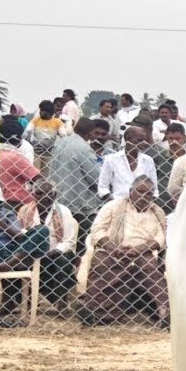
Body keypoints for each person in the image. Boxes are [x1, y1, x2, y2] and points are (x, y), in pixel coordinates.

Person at [80, 175, 168, 327]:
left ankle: (165, 312)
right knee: (102, 262)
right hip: (112, 249)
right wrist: (114, 249)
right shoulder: (113, 206)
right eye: (140, 191)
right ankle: (93, 310)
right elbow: (97, 230)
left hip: (143, 251)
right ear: (130, 191)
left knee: (148, 266)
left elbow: (161, 237)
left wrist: (141, 248)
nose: (144, 196)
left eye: (148, 193)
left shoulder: (157, 212)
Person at [0, 183, 50, 327]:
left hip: (9, 252)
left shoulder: (6, 213)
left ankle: (6, 265)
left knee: (41, 231)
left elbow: (19, 238)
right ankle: (9, 265)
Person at [18, 179, 77, 308]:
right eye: (39, 193)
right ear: (33, 195)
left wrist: (51, 253)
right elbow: (19, 236)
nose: (44, 197)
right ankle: (49, 299)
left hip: (57, 251)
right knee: (27, 262)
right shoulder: (24, 211)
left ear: (55, 196)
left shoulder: (63, 211)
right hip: (32, 252)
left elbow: (69, 241)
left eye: (48, 194)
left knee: (63, 261)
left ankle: (61, 299)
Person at [51, 118, 104, 255]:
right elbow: (96, 178)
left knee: (62, 241)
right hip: (79, 203)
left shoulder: (61, 142)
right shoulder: (84, 149)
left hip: (59, 199)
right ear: (90, 132)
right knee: (81, 244)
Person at [97, 125, 157, 201]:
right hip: (117, 203)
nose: (144, 143)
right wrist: (114, 203)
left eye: (145, 140)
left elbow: (154, 189)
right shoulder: (111, 159)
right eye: (139, 140)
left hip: (142, 204)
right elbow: (102, 187)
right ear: (128, 139)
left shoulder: (148, 160)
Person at [0, 117, 40, 210]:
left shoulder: (2, 153)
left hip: (8, 198)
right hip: (20, 202)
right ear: (18, 137)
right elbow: (36, 177)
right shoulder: (15, 157)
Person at [156, 123, 186, 212]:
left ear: (184, 138)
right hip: (163, 204)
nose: (174, 142)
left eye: (178, 139)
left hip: (185, 202)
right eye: (170, 138)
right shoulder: (159, 158)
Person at [23, 100, 66, 168]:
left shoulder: (57, 122)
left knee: (45, 175)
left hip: (49, 153)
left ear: (49, 112)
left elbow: (63, 134)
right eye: (40, 110)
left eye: (43, 111)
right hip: (36, 151)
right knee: (35, 172)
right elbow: (28, 130)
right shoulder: (36, 120)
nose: (40, 112)